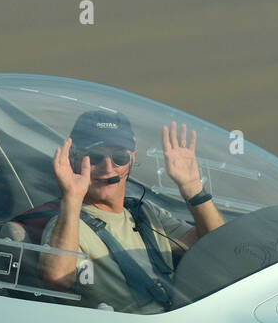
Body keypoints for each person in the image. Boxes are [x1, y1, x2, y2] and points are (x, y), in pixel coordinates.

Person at [37, 109, 224, 312]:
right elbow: (56, 278)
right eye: (95, 157)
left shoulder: (145, 212)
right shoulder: (67, 225)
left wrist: (193, 188)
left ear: (133, 158)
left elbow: (219, 246)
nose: (108, 168)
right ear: (74, 158)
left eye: (119, 157)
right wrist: (72, 199)